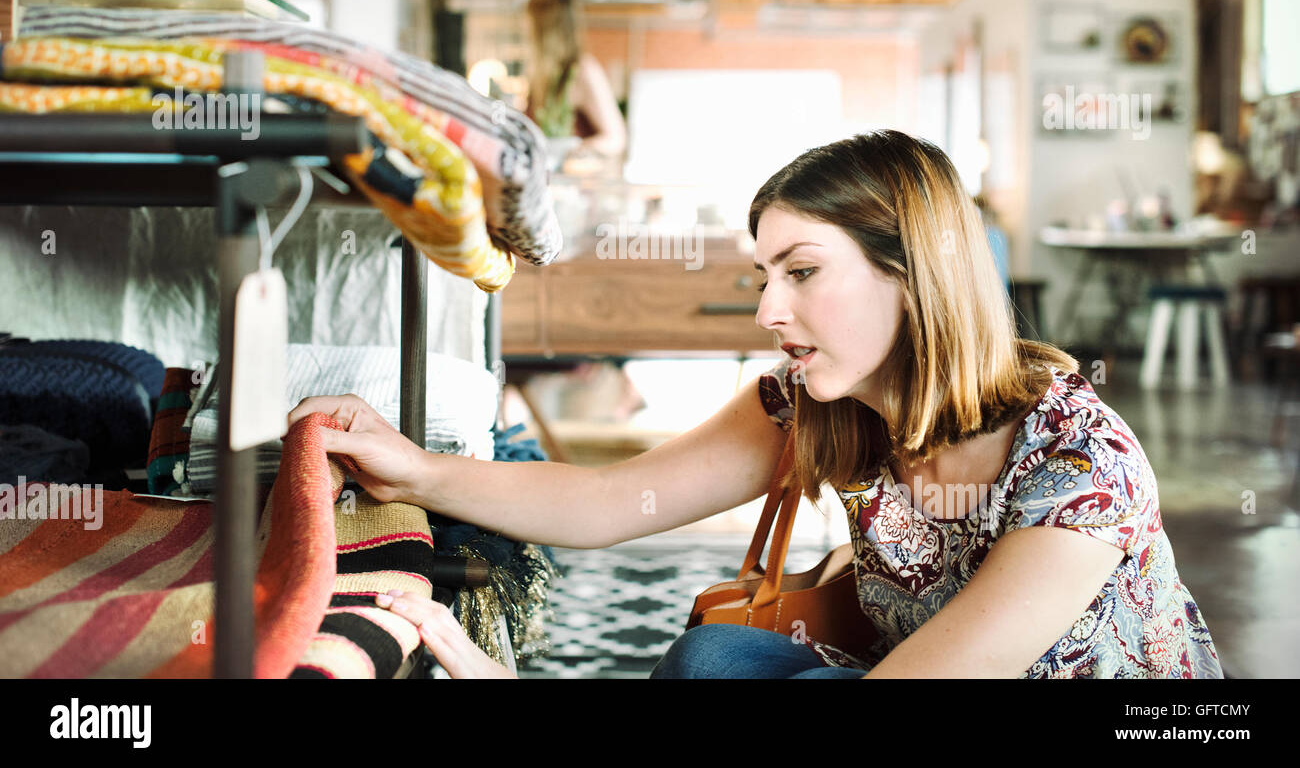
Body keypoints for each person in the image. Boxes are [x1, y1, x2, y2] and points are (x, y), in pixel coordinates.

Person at [287, 131, 1223, 679]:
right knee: (712, 662)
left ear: (913, 276)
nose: (770, 309)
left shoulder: (1078, 467)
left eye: (804, 272)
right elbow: (617, 503)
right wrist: (415, 465)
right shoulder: (813, 402)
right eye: (766, 276)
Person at [525, 0, 627, 171]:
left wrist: (572, 150)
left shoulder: (583, 71)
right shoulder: (539, 78)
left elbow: (616, 139)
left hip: (575, 189)